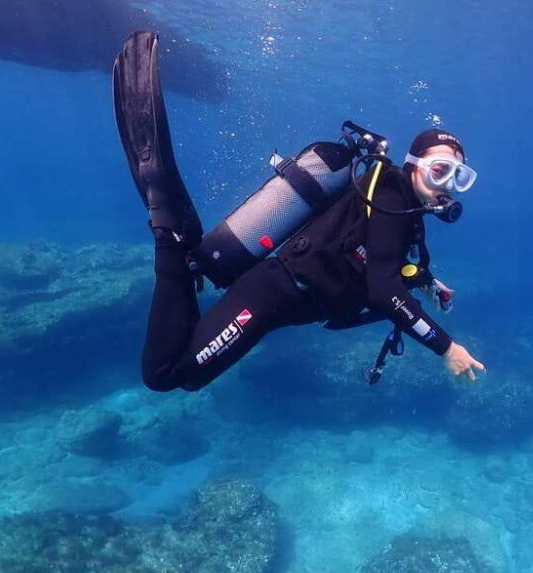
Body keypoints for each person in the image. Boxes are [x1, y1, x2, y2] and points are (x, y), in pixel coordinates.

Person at [113, 32, 486, 392]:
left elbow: (375, 257)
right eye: (440, 170)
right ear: (414, 165)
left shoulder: (401, 207)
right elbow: (383, 289)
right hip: (274, 293)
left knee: (192, 378)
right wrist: (447, 347)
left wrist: (425, 281)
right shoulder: (390, 194)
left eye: (459, 176)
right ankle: (171, 238)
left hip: (286, 301)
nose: (447, 184)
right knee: (165, 374)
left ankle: (183, 252)